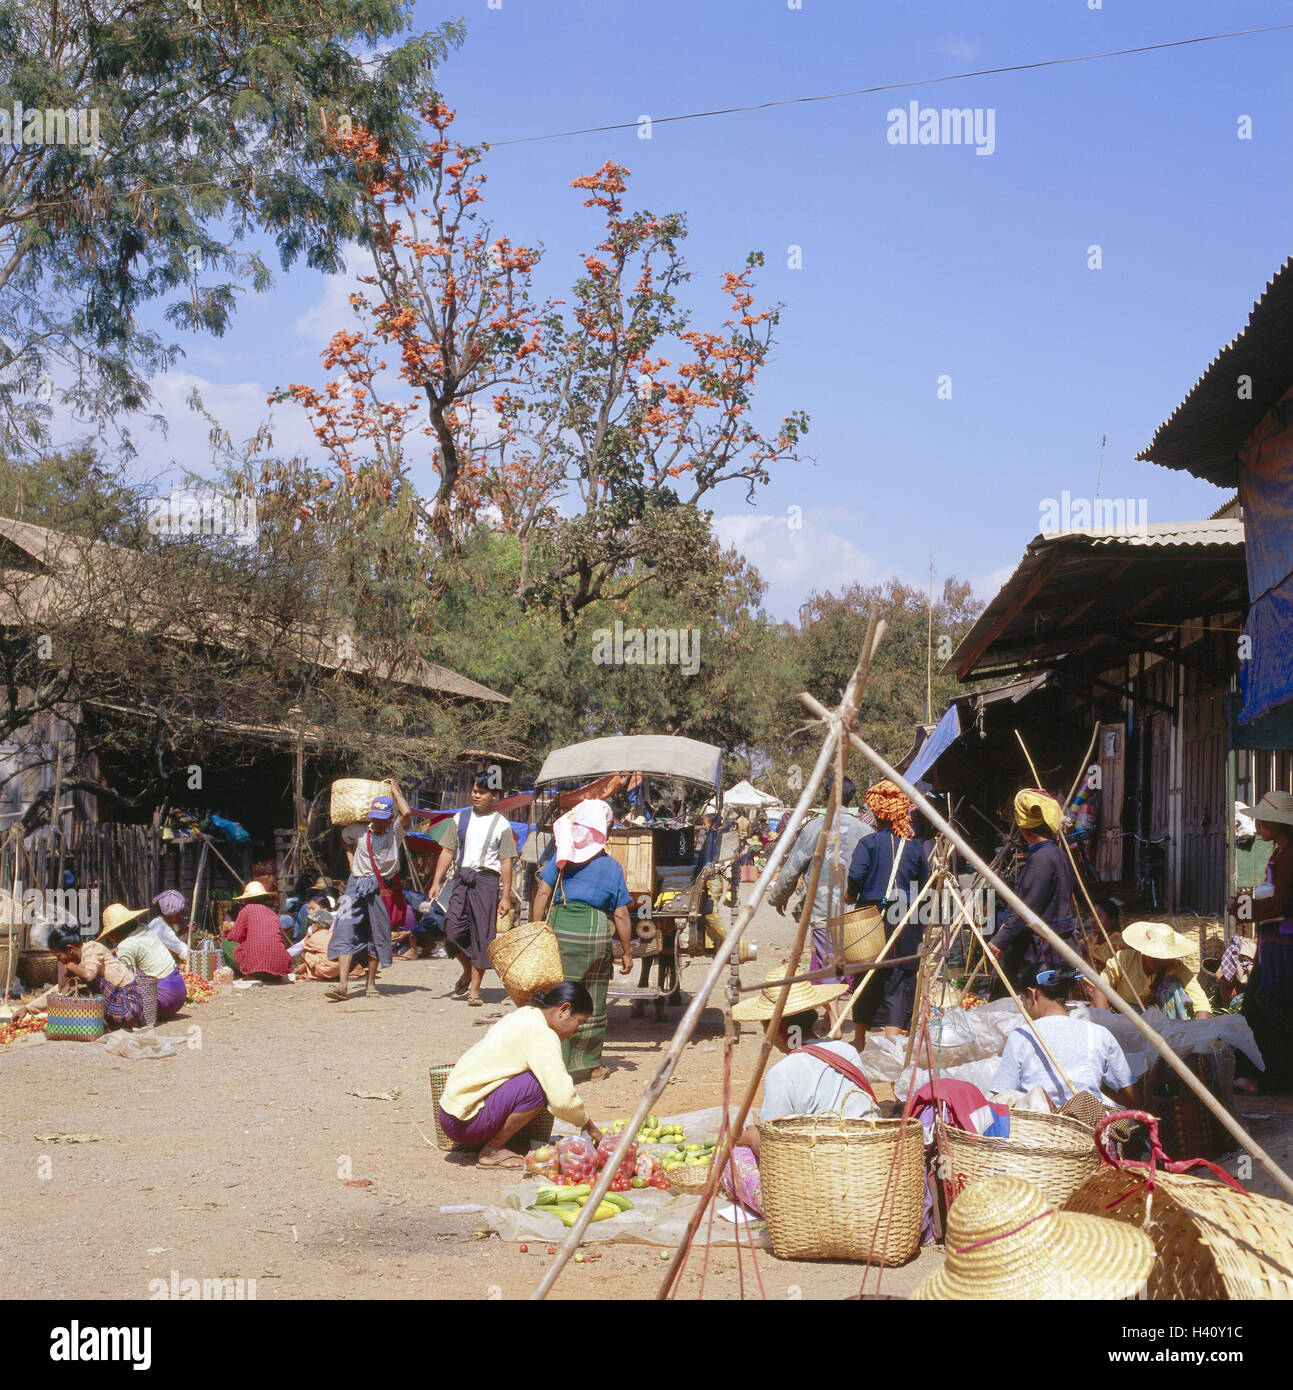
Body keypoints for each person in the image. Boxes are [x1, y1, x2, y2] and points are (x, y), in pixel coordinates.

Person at [723, 968, 878, 1215]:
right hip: (868, 1165)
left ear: (780, 1027)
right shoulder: (847, 1051)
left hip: (823, 1178)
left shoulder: (782, 1072)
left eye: (766, 1026)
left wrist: (752, 1137)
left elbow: (775, 1150)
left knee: (733, 1161)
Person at [437, 982, 604, 1168]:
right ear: (564, 1010)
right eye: (579, 1022)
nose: (576, 1031)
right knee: (537, 1086)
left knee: (535, 1079)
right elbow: (562, 1100)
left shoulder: (525, 1015)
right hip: (465, 1124)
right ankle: (493, 1149)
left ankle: (494, 1139)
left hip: (450, 1115)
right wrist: (588, 1125)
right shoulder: (542, 1034)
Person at [531, 799, 633, 1080]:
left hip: (560, 930)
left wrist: (534, 931)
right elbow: (621, 915)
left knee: (558, 996)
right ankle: (590, 1065)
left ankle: (550, 1063)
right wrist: (626, 952)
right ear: (604, 831)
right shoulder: (612, 867)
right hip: (596, 935)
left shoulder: (561, 859)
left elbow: (542, 895)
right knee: (593, 1000)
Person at [769, 775, 874, 1027]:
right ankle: (842, 1020)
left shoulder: (815, 827)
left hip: (823, 910)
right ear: (851, 797)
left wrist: (778, 897)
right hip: (857, 914)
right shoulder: (866, 830)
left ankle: (833, 1020)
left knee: (828, 963)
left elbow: (793, 867)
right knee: (853, 963)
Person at [846, 779, 932, 1041]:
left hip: (871, 919)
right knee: (898, 979)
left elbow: (856, 877)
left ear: (875, 813)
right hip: (907, 920)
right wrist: (923, 924)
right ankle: (892, 1042)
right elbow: (925, 889)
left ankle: (859, 1039)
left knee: (867, 974)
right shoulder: (915, 847)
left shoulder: (868, 844)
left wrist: (851, 896)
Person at [992, 966, 1138, 1107]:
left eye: (1023, 1001)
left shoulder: (1022, 1036)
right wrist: (1097, 1090)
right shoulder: (1099, 1033)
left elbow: (1001, 1098)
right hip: (1089, 1127)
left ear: (1032, 994)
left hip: (1037, 1128)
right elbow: (1132, 1096)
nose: (1025, 1008)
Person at [1229, 791, 1293, 1093]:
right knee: (1257, 1004)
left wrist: (1244, 909)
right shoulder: (1280, 851)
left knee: (1268, 1004)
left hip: (1284, 943)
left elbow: (1281, 903)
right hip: (1273, 941)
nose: (1259, 825)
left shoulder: (1290, 855)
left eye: (1264, 820)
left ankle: (1271, 1078)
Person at [436, 774, 518, 1006]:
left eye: (482, 792)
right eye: (474, 790)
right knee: (452, 932)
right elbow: (447, 851)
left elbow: (506, 862)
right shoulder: (460, 818)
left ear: (494, 795)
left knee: (482, 935)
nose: (476, 795)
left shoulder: (502, 824)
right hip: (462, 878)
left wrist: (505, 896)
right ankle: (466, 968)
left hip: (487, 882)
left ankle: (474, 989)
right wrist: (436, 881)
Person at [327, 782, 413, 1001]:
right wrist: (350, 860)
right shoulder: (358, 830)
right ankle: (342, 985)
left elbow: (407, 812)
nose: (378, 823)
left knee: (378, 932)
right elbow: (345, 840)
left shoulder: (395, 832)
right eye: (375, 818)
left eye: (383, 819)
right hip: (355, 883)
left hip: (383, 887)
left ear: (389, 818)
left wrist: (396, 790)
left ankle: (371, 984)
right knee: (345, 927)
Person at [988, 789, 1077, 989]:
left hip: (1043, 947)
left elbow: (1027, 909)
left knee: (1036, 1001)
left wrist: (999, 941)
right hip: (1056, 941)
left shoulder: (1042, 860)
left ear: (1024, 829)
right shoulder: (1056, 854)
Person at [1090, 920, 1212, 1021]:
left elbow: (1200, 1000)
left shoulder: (1175, 966)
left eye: (1163, 958)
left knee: (1171, 986)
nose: (1160, 961)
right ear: (1144, 953)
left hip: (1157, 1020)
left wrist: (1201, 1027)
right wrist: (1105, 1020)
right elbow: (1101, 987)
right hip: (1122, 1015)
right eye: (1155, 957)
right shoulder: (1124, 959)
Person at [45, 921, 149, 1028]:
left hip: (127, 1009)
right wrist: (30, 1008)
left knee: (91, 978)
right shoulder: (83, 958)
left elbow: (89, 975)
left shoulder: (91, 950)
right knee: (76, 983)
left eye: (58, 956)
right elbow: (60, 991)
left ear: (69, 949)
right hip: (117, 1005)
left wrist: (70, 966)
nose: (60, 961)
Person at [99, 903, 188, 1020]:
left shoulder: (126, 946)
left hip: (164, 1001)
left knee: (114, 967)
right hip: (180, 994)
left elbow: (126, 982)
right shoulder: (143, 928)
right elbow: (133, 947)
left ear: (114, 933)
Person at [223, 881, 293, 980]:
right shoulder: (272, 913)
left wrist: (228, 929)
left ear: (247, 900)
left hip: (257, 969)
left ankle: (241, 974)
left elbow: (234, 937)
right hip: (278, 968)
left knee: (226, 943)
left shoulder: (246, 910)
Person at [146, 890, 190, 965]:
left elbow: (168, 941)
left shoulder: (157, 922)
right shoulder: (162, 928)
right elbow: (183, 950)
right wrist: (200, 957)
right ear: (170, 913)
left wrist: (180, 933)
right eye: (178, 913)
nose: (180, 916)